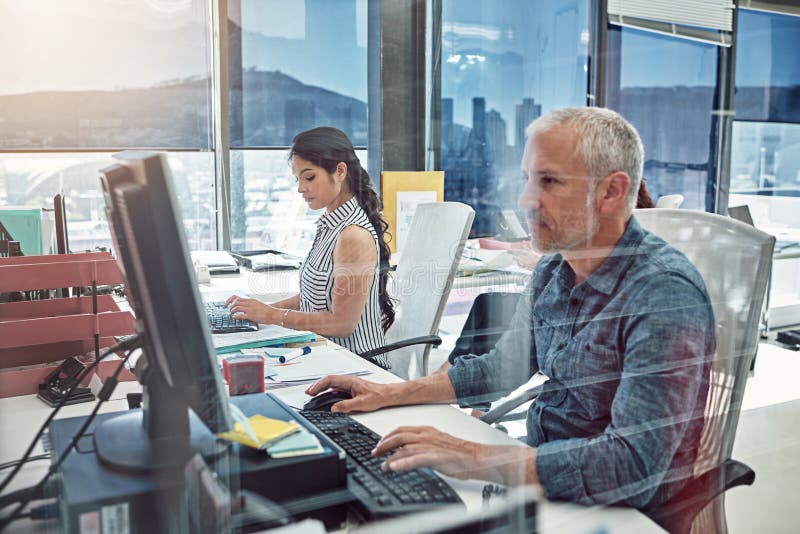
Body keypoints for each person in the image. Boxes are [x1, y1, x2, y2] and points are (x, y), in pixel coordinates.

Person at [306, 108, 715, 511]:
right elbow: (504, 368)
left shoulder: (663, 294)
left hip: (616, 510)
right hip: (543, 473)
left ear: (611, 192)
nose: (525, 200)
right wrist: (390, 392)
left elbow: (632, 467)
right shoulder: (555, 269)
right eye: (527, 180)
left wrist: (475, 458)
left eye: (549, 181)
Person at [227, 127, 395, 368]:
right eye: (298, 179)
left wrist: (271, 315)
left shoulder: (353, 235)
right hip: (325, 353)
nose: (300, 188)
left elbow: (342, 324)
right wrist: (258, 311)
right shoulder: (330, 224)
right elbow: (314, 298)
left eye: (309, 177)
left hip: (357, 365)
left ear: (339, 171)